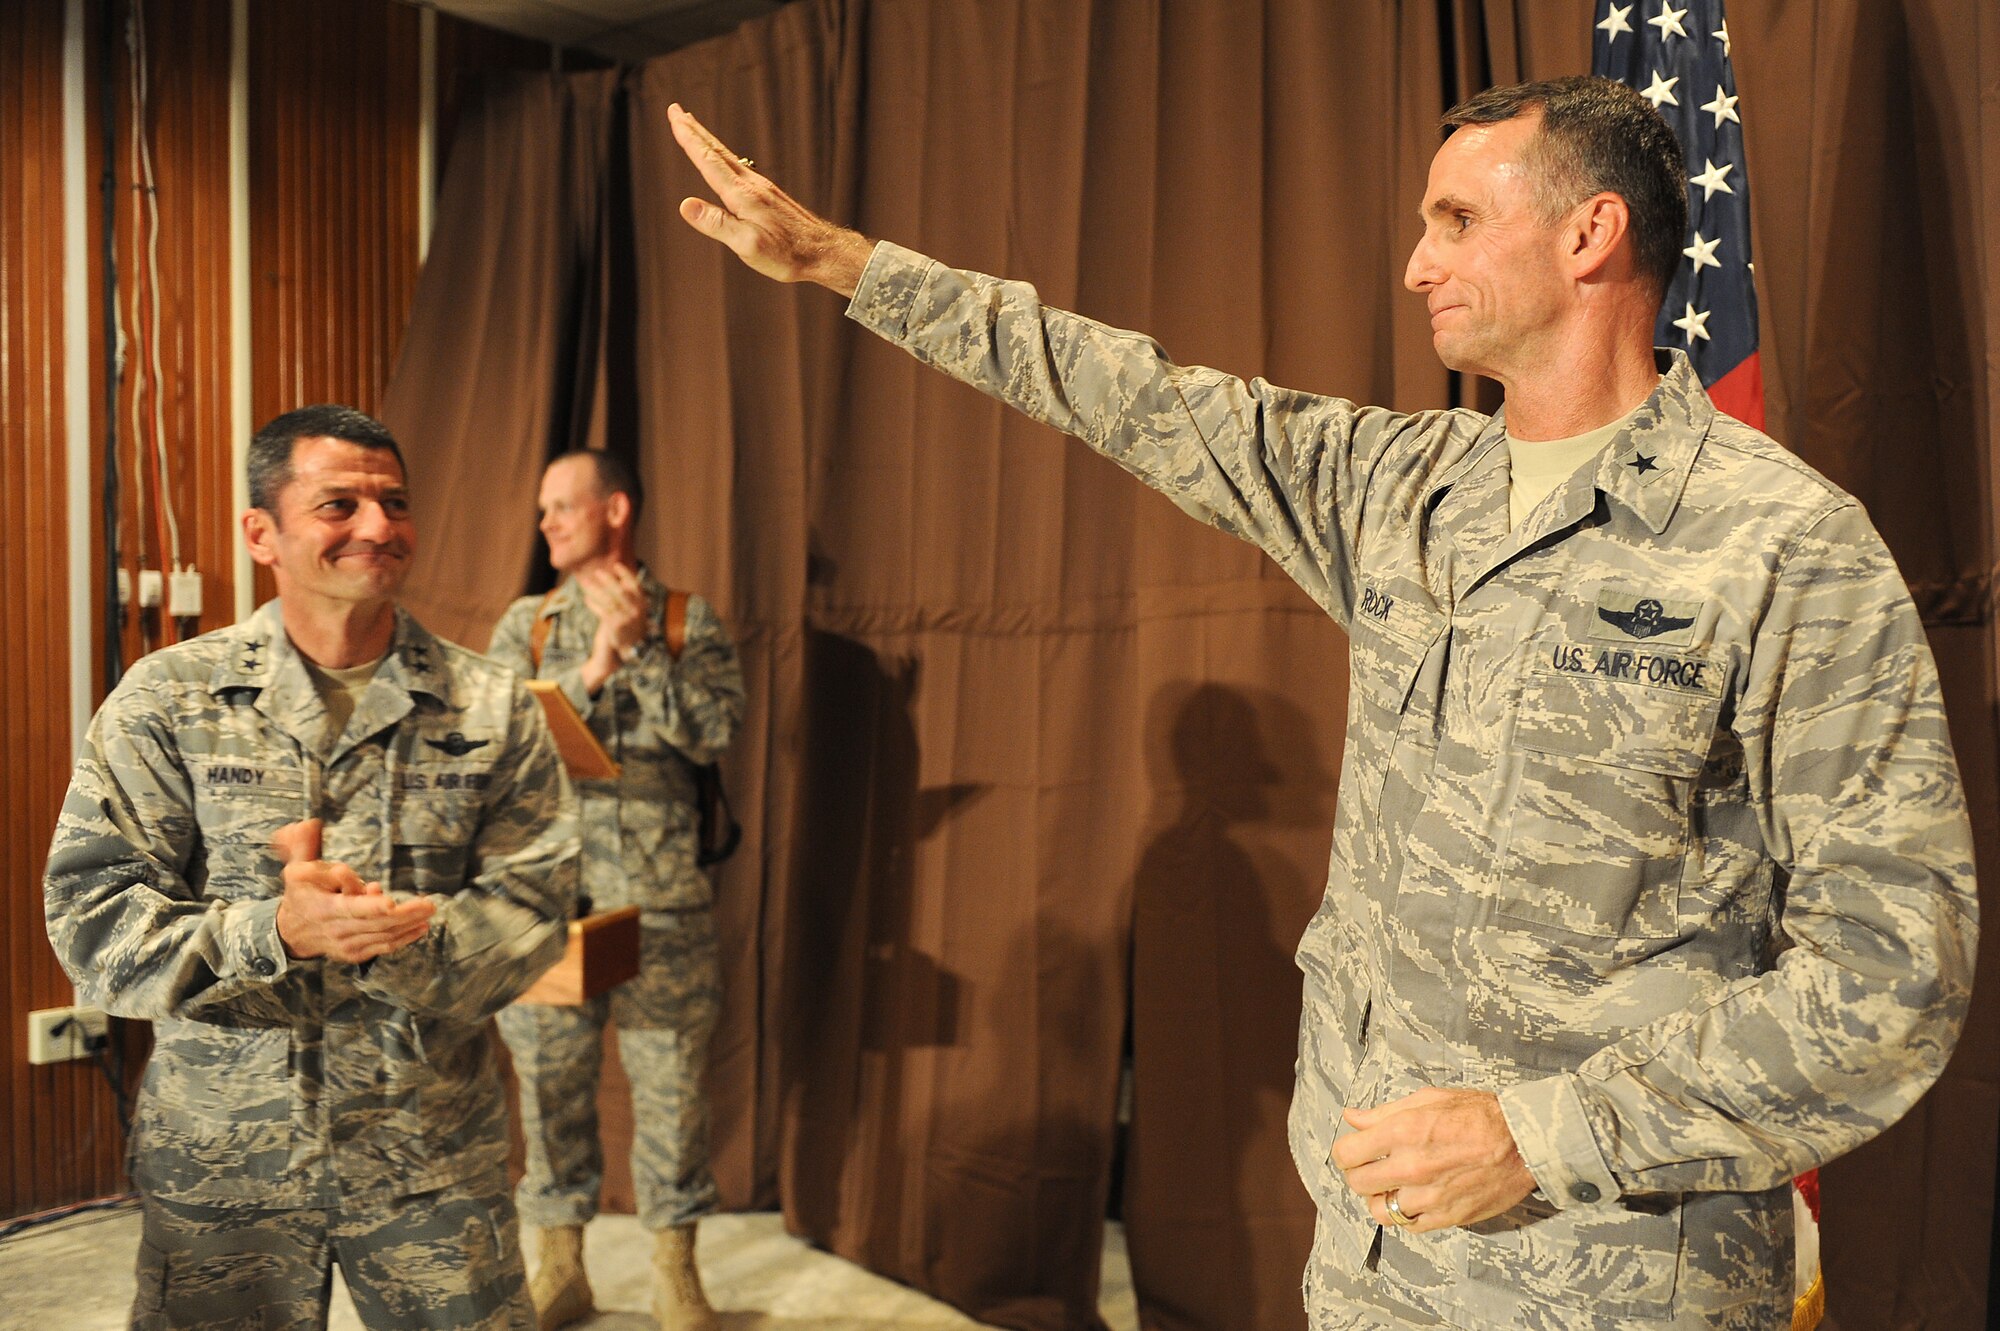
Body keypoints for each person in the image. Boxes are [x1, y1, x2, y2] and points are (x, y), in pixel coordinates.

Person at [664, 75, 1977, 1331]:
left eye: (1456, 220)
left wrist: (1542, 1135)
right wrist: (848, 265)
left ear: (1591, 232)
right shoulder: (1402, 487)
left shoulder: (1782, 546)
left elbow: (1891, 970)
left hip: (1616, 1267)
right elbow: (1125, 388)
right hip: (1373, 1246)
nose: (1415, 261)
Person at [43, 405, 579, 1331]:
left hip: (433, 1160)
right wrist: (273, 930)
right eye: (339, 504)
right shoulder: (170, 697)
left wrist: (400, 941)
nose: (378, 527)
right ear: (262, 532)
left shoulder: (492, 703)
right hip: (224, 1161)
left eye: (395, 502)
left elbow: (536, 900)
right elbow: (90, 920)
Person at [489, 449, 745, 1331]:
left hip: (661, 899)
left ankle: (676, 1273)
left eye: (564, 505)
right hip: (550, 901)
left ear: (616, 510)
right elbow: (503, 745)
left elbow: (713, 735)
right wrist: (595, 665)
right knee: (550, 1085)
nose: (548, 522)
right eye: (543, 509)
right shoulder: (526, 624)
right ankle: (561, 1266)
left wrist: (641, 654)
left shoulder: (684, 620)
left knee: (672, 1086)